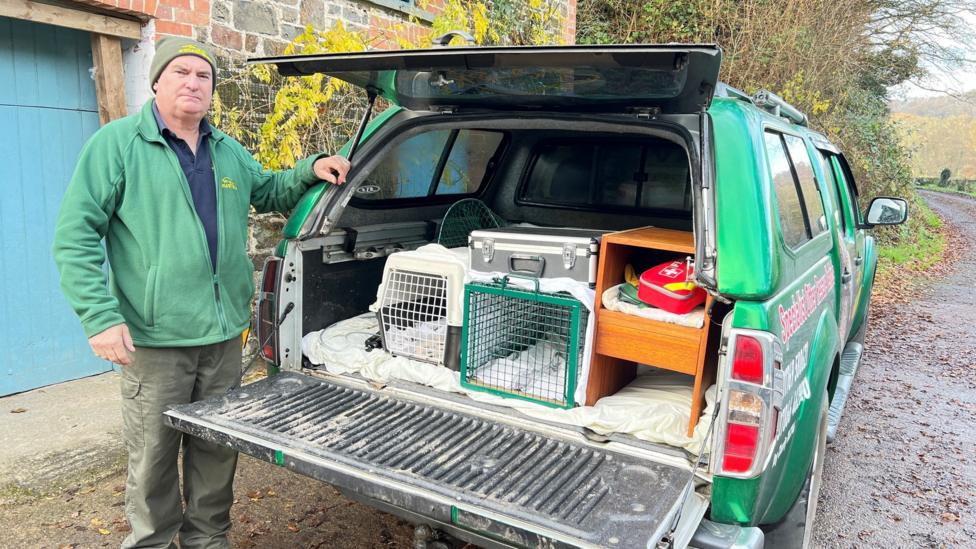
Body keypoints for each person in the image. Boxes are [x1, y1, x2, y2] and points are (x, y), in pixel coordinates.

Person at [52, 37, 350, 549]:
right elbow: (76, 234)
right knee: (154, 457)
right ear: (158, 81)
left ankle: (209, 540)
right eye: (181, 73)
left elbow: (270, 190)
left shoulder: (226, 150)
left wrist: (309, 169)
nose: (193, 83)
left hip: (220, 337)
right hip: (155, 340)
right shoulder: (117, 145)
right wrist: (100, 317)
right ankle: (151, 541)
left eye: (203, 76)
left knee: (216, 452)